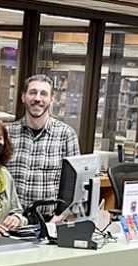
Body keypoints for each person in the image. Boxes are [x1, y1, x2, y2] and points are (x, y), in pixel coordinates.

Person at [5, 74, 81, 214]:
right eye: (33, 93)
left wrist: (62, 217)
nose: (37, 99)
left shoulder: (66, 135)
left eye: (44, 94)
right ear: (23, 97)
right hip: (10, 221)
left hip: (49, 221)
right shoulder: (7, 134)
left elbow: (76, 185)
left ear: (52, 99)